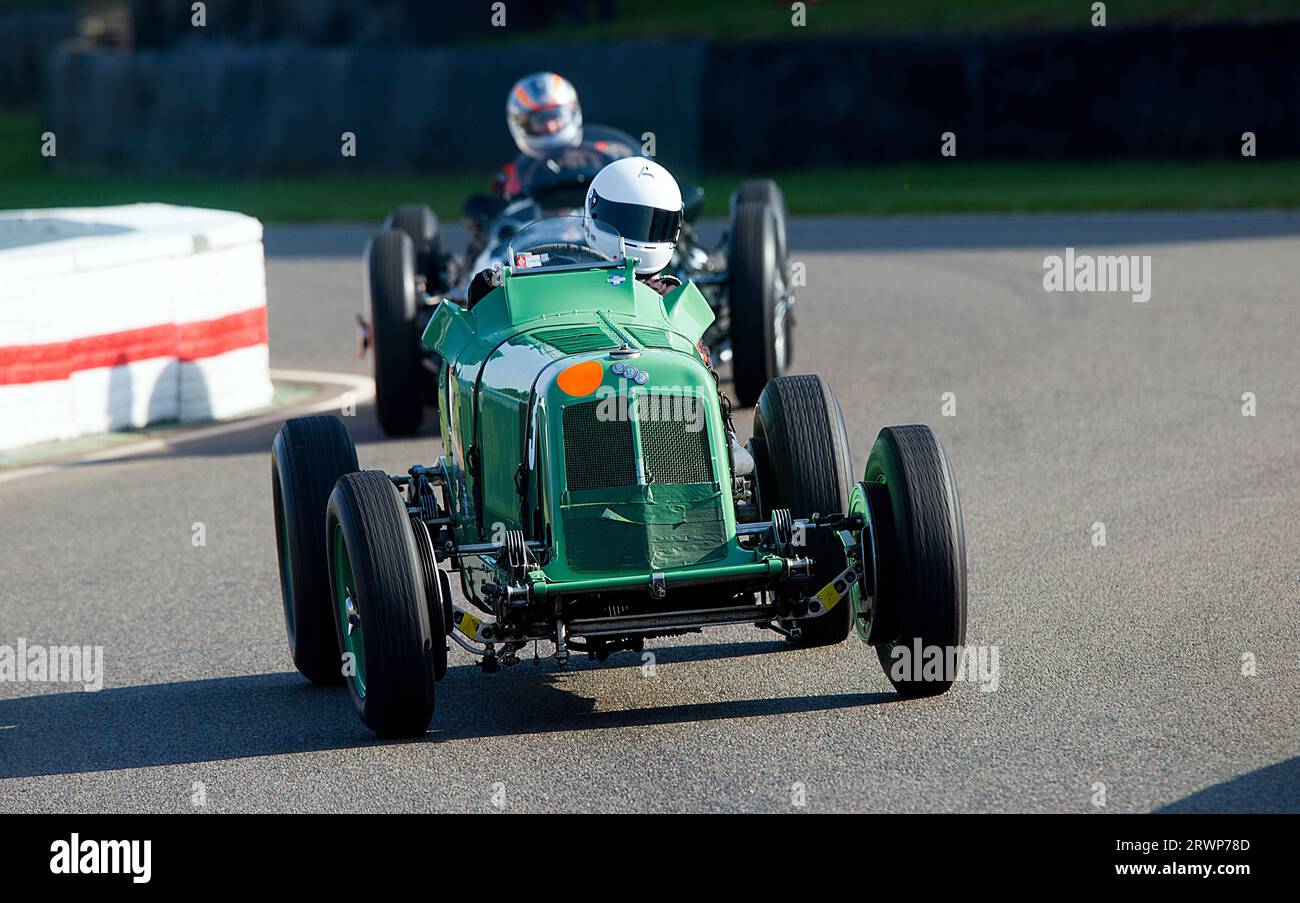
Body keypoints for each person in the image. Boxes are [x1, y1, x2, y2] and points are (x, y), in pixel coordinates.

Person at [493, 71, 637, 201]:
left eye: (555, 117)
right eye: (539, 121)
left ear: (571, 112)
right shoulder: (512, 175)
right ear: (523, 124)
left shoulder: (605, 152)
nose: (550, 126)